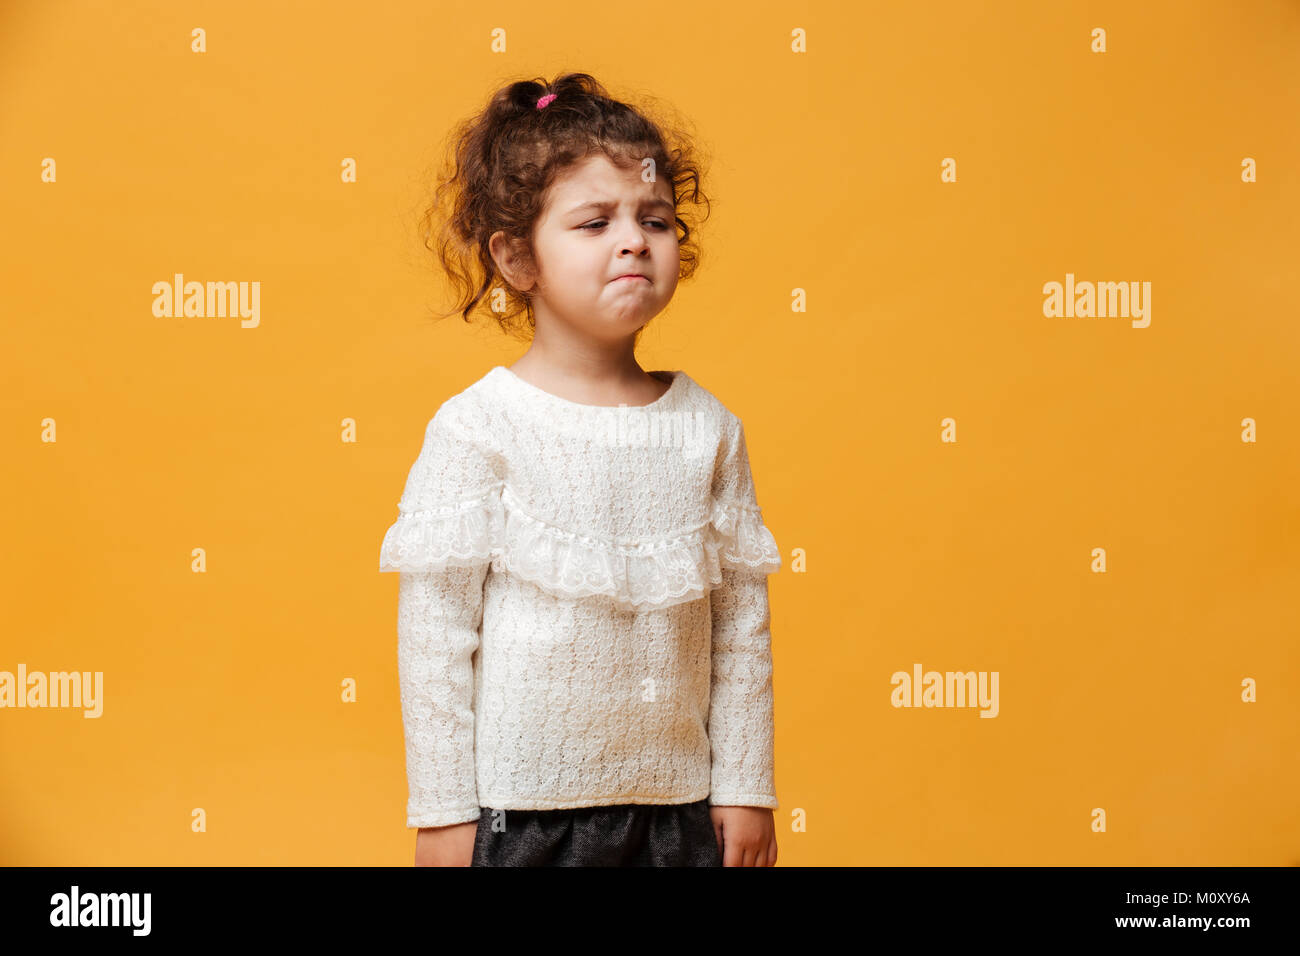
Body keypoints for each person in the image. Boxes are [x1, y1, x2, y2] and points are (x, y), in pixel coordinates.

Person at [379, 73, 781, 866]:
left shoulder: (709, 431)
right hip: (519, 817)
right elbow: (434, 637)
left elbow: (742, 635)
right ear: (517, 256)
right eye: (594, 221)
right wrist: (443, 812)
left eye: (655, 219)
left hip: (678, 812)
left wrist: (746, 786)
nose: (633, 239)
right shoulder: (477, 428)